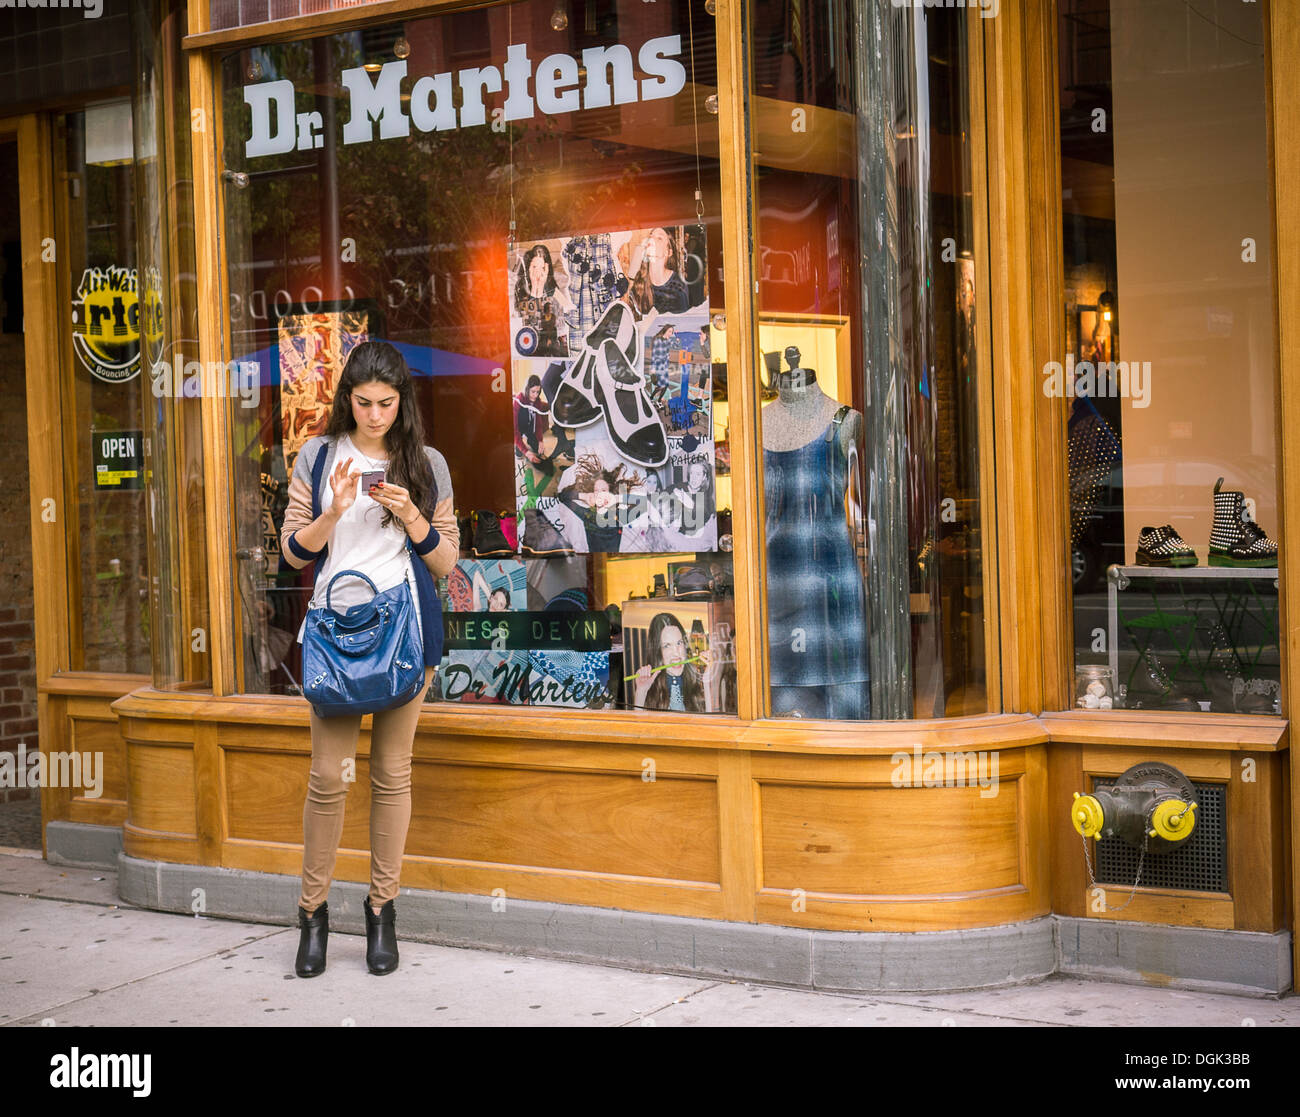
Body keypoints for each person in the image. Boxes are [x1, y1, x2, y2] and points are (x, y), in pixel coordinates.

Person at [279, 340, 459, 978]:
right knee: (328, 778)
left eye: (387, 403)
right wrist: (333, 511)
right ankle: (311, 913)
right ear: (346, 399)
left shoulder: (425, 461)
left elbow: (445, 561)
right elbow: (295, 554)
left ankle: (382, 910)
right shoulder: (318, 455)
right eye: (364, 403)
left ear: (401, 401)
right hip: (338, 634)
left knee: (392, 773)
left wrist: (412, 515)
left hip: (407, 632)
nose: (376, 415)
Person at [633, 611, 717, 712]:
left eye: (679, 643)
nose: (676, 653)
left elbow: (708, 724)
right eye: (667, 646)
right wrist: (641, 692)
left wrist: (707, 683)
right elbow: (639, 726)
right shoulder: (650, 687)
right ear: (657, 652)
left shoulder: (696, 683)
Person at [624, 227, 690, 315]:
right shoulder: (639, 280)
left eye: (659, 238)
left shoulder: (678, 287)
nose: (651, 239)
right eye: (650, 236)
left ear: (668, 252)